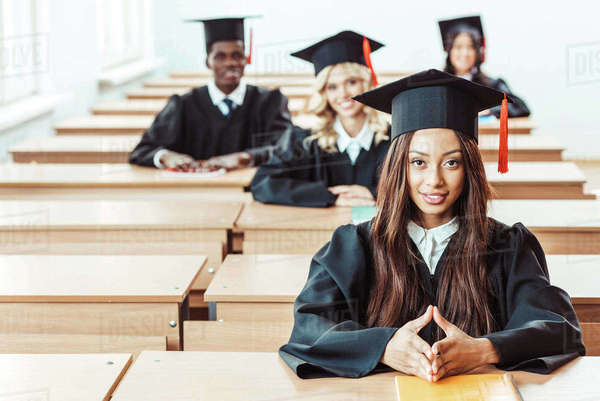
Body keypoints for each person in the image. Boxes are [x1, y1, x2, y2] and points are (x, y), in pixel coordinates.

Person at [279, 69, 585, 379]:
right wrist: (383, 347)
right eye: (418, 162)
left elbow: (558, 329)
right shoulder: (356, 246)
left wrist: (485, 349)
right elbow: (310, 327)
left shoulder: (507, 246)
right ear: (400, 166)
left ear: (470, 168)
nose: (434, 181)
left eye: (451, 162)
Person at [129, 17, 292, 171]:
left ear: (246, 60)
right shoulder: (183, 105)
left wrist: (246, 157)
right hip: (196, 193)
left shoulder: (268, 102)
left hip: (252, 192)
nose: (230, 63)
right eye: (221, 57)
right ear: (208, 62)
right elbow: (142, 150)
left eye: (237, 55)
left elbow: (288, 147)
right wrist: (165, 156)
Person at [250, 31, 390, 207]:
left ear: (367, 83)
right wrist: (329, 196)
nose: (343, 94)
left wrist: (374, 193)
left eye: (352, 82)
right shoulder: (306, 141)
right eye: (332, 87)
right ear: (323, 92)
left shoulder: (394, 139)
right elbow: (262, 183)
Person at [439, 15, 530, 118]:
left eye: (471, 47)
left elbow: (520, 107)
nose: (464, 53)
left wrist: (489, 110)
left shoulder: (492, 85)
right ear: (449, 50)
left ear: (477, 52)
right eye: (458, 47)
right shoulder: (439, 85)